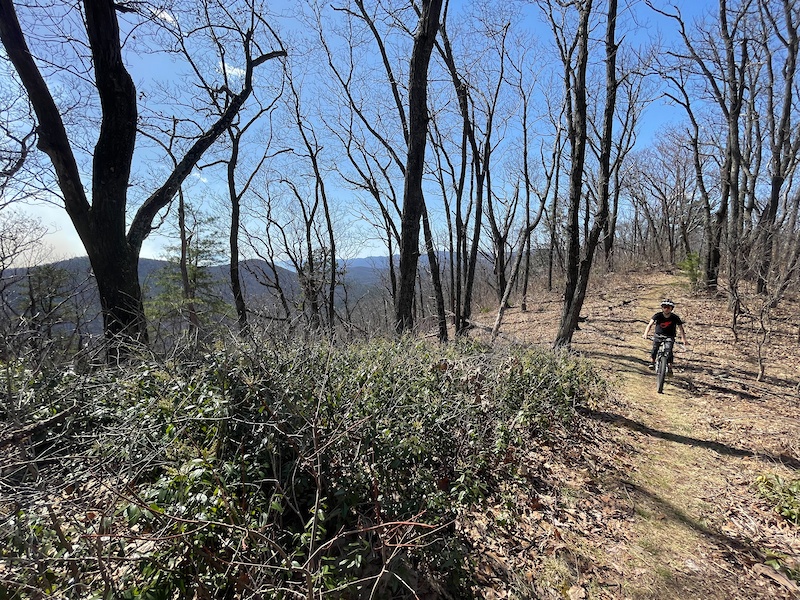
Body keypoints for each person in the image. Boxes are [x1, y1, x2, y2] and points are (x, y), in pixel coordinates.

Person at [642, 298, 688, 373]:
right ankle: (652, 362)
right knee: (655, 348)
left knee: (669, 350)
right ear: (662, 308)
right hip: (658, 335)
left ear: (671, 309)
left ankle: (670, 367)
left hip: (669, 336)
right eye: (664, 307)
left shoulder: (675, 317)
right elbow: (650, 324)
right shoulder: (657, 315)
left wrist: (684, 339)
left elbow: (681, 328)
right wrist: (645, 334)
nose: (666, 309)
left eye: (668, 307)